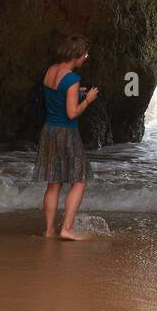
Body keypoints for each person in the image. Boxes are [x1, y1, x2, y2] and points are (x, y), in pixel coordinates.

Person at [33, 35, 98, 240]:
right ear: (76, 56)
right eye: (85, 55)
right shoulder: (71, 78)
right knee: (79, 180)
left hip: (49, 131)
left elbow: (55, 96)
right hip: (66, 132)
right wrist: (87, 99)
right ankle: (67, 228)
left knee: (54, 183)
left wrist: (75, 92)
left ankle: (49, 230)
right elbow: (71, 113)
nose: (86, 58)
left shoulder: (51, 71)